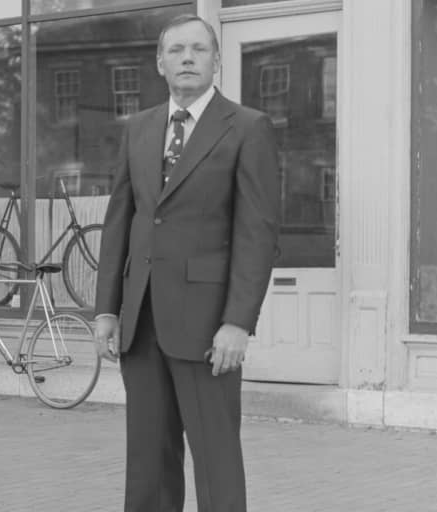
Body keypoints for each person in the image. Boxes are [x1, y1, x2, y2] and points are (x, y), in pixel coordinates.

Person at [93, 14, 281, 512]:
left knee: (215, 459)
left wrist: (238, 322)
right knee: (148, 462)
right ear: (160, 62)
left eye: (199, 50)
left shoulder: (247, 128)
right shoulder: (138, 129)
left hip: (207, 328)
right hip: (142, 322)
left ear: (216, 60)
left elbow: (256, 235)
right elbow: (120, 223)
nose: (188, 59)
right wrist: (107, 310)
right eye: (176, 51)